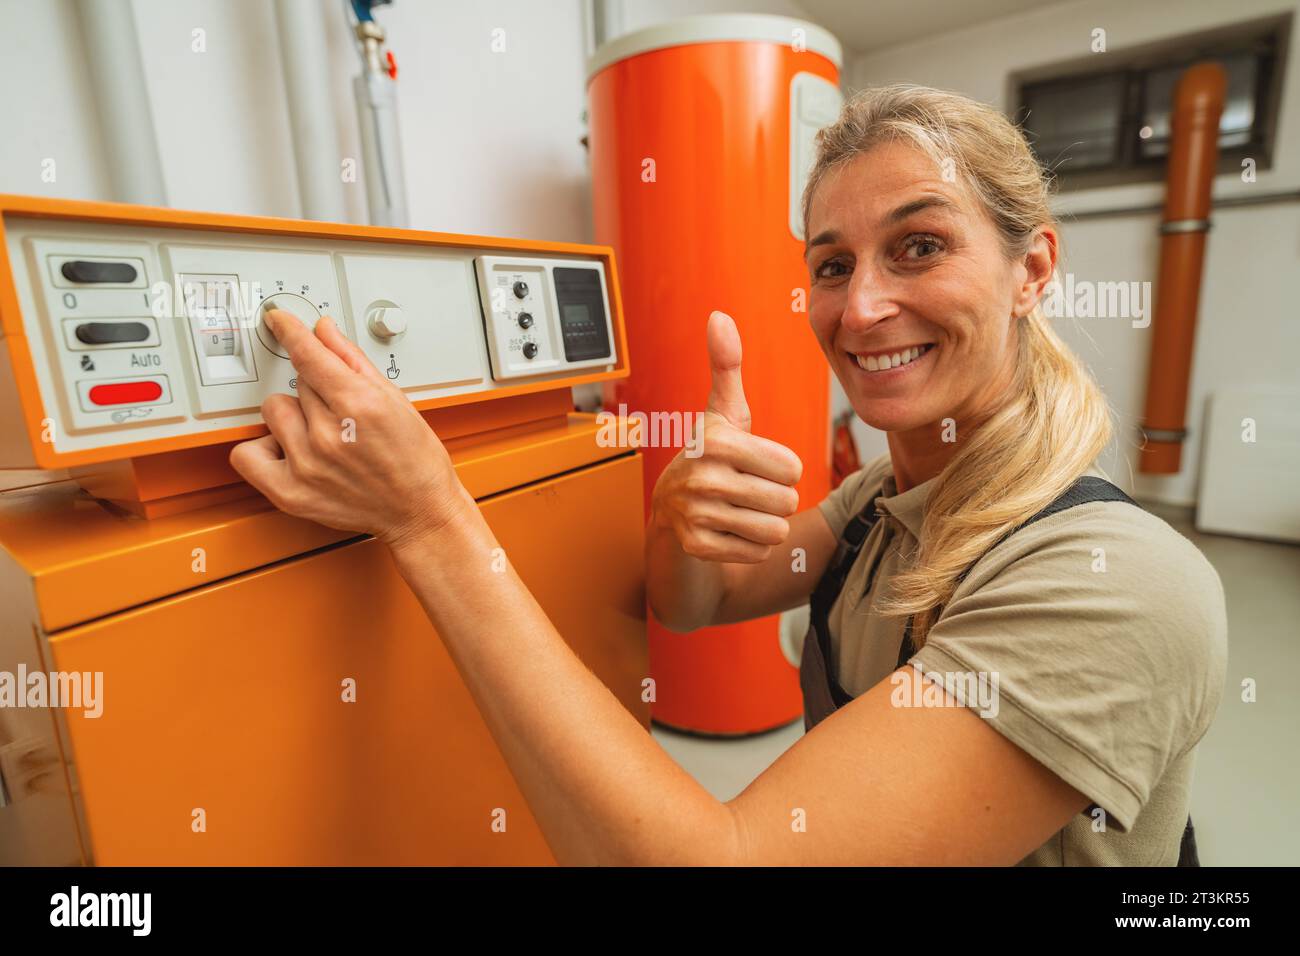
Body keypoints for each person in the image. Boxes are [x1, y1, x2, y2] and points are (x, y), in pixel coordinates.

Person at [232, 84, 1227, 866]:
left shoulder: (1121, 586)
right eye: (832, 265)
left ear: (1033, 271)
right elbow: (694, 603)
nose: (863, 306)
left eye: (918, 246)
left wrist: (431, 519)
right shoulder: (882, 502)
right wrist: (678, 517)